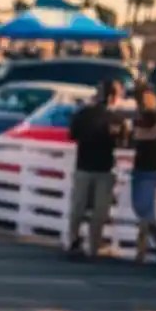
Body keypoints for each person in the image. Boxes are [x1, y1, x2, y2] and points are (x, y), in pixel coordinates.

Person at [66, 79, 127, 258]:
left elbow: (72, 135)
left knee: (78, 206)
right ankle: (94, 246)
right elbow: (122, 142)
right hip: (104, 168)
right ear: (113, 97)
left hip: (83, 165)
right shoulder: (116, 119)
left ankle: (74, 240)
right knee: (99, 212)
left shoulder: (83, 114)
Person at [130, 84, 156, 266]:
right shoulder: (145, 126)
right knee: (143, 210)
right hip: (141, 168)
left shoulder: (154, 127)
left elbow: (146, 129)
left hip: (149, 169)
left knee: (144, 209)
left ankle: (144, 249)